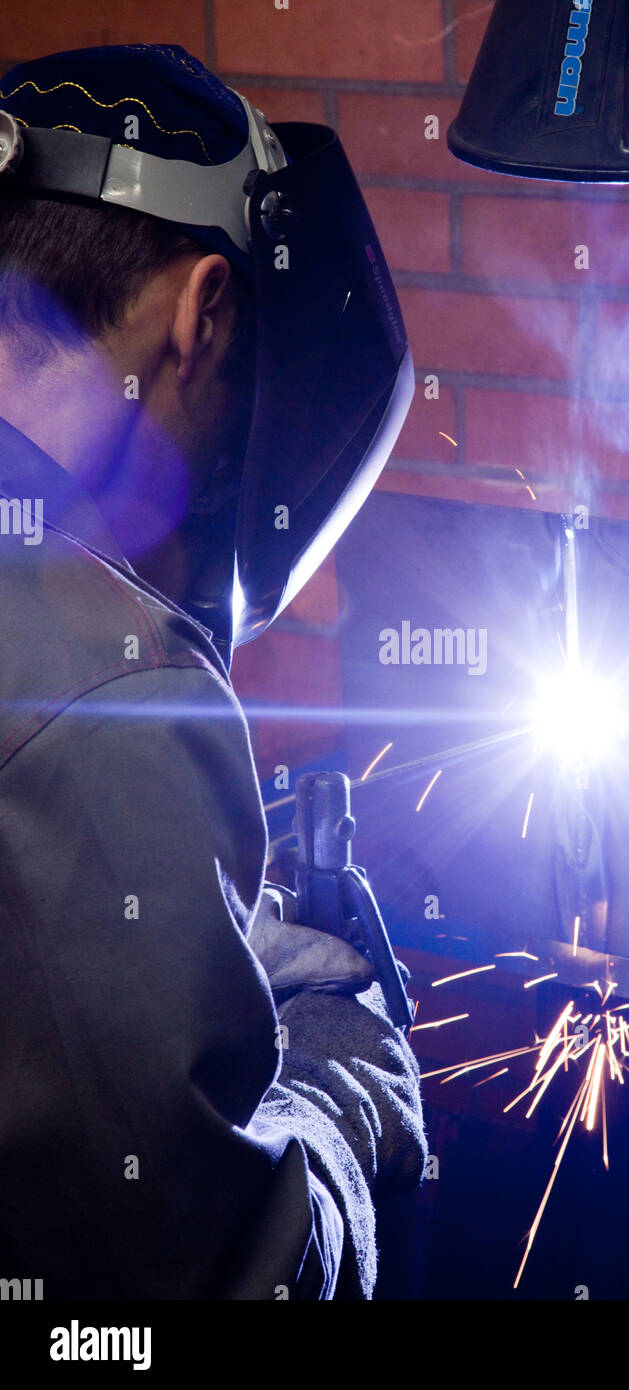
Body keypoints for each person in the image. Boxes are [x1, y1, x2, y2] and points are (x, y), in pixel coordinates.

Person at [0, 42, 425, 1300]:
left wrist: (194, 954)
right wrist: (343, 1077)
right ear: (204, 309)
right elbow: (224, 1287)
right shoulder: (110, 692)